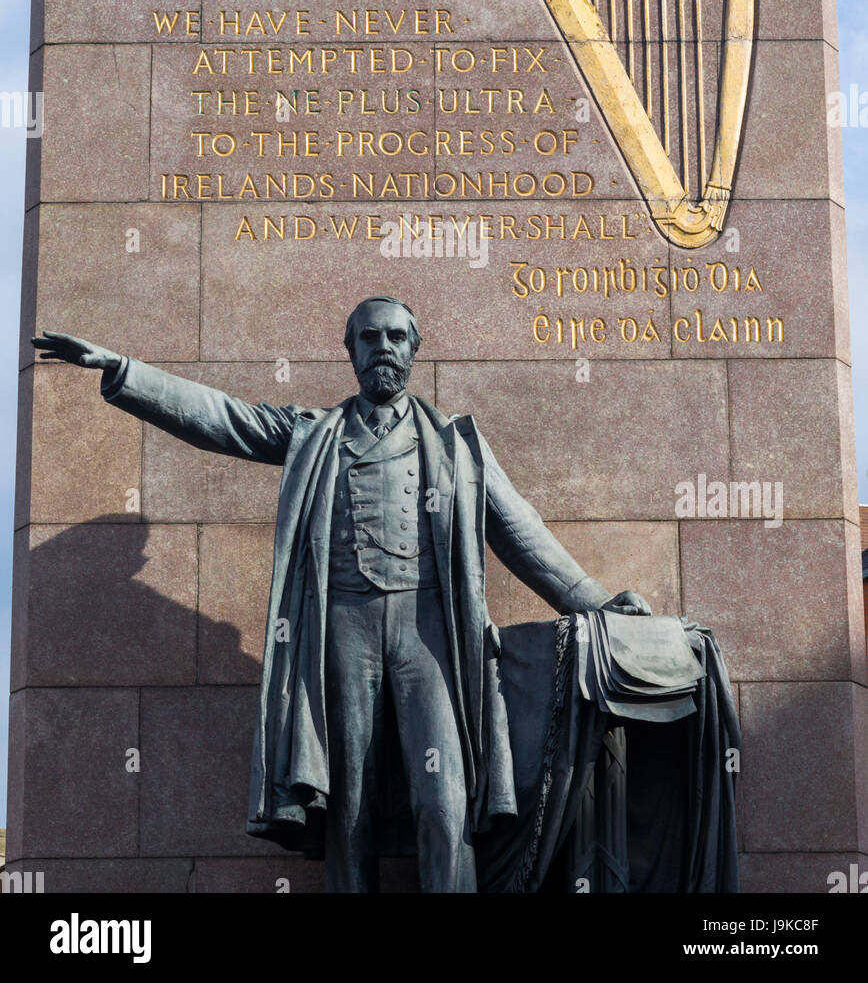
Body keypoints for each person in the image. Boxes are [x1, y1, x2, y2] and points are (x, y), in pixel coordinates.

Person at [33, 296, 650, 893]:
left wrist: (595, 602)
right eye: (369, 337)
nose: (382, 347)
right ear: (350, 350)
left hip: (430, 636)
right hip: (342, 632)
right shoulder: (313, 433)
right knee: (347, 799)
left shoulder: (458, 445)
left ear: (415, 348)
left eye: (395, 336)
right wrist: (123, 372)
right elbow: (222, 419)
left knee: (444, 798)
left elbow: (519, 532)